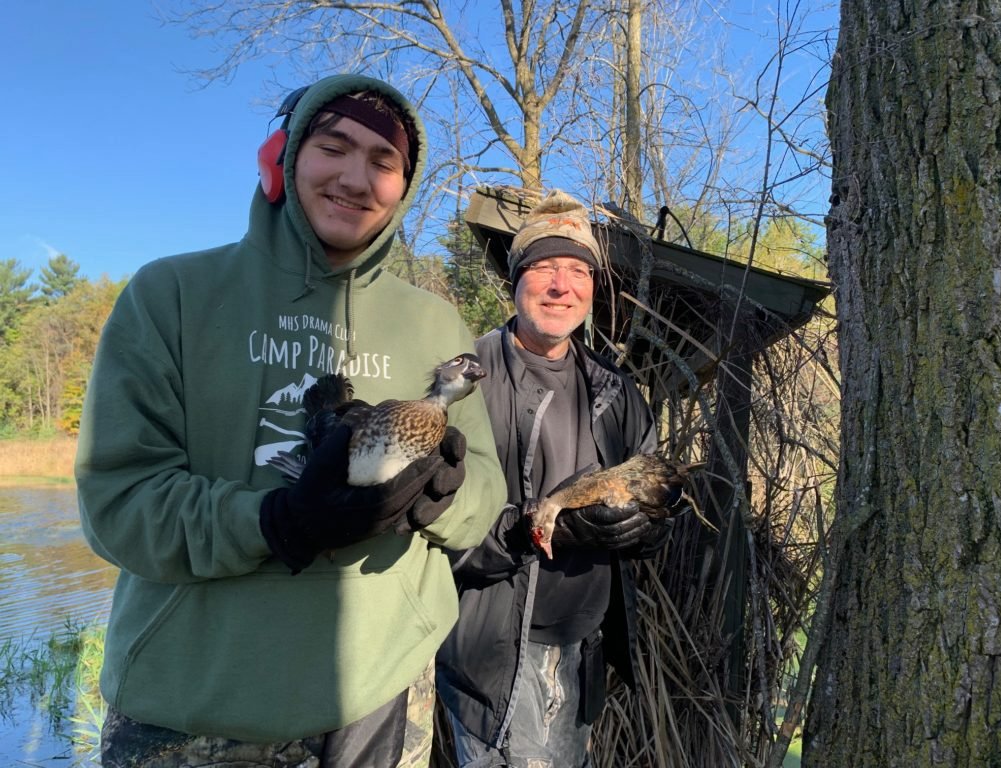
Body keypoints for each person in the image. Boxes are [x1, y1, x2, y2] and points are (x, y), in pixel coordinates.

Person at [75, 74, 505, 768]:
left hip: (382, 694)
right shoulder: (173, 295)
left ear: (404, 186)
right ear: (283, 156)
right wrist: (276, 522)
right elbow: (118, 503)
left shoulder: (434, 322)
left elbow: (486, 490)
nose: (357, 178)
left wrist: (445, 498)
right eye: (334, 147)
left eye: (383, 162)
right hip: (196, 704)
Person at [435, 189, 675, 767]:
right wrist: (538, 531)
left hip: (582, 644)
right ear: (515, 282)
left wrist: (642, 530)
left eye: (577, 270)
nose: (561, 285)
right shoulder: (466, 380)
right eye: (544, 268)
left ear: (593, 287)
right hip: (495, 654)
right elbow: (433, 524)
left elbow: (658, 486)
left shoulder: (614, 388)